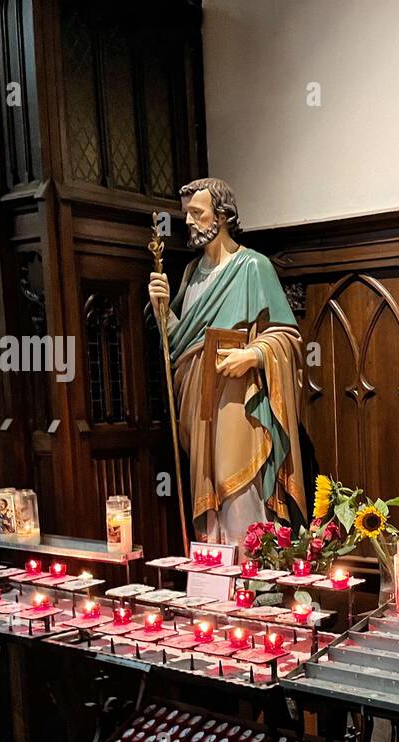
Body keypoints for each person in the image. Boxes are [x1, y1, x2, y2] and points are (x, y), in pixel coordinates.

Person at [147, 177, 307, 546]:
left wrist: (253, 354)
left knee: (238, 491)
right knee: (208, 494)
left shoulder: (253, 267)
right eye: (186, 214)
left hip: (239, 399)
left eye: (196, 213)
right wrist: (162, 311)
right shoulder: (190, 274)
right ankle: (215, 582)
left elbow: (288, 338)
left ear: (222, 216)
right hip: (198, 402)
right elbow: (180, 345)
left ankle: (251, 580)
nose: (187, 221)